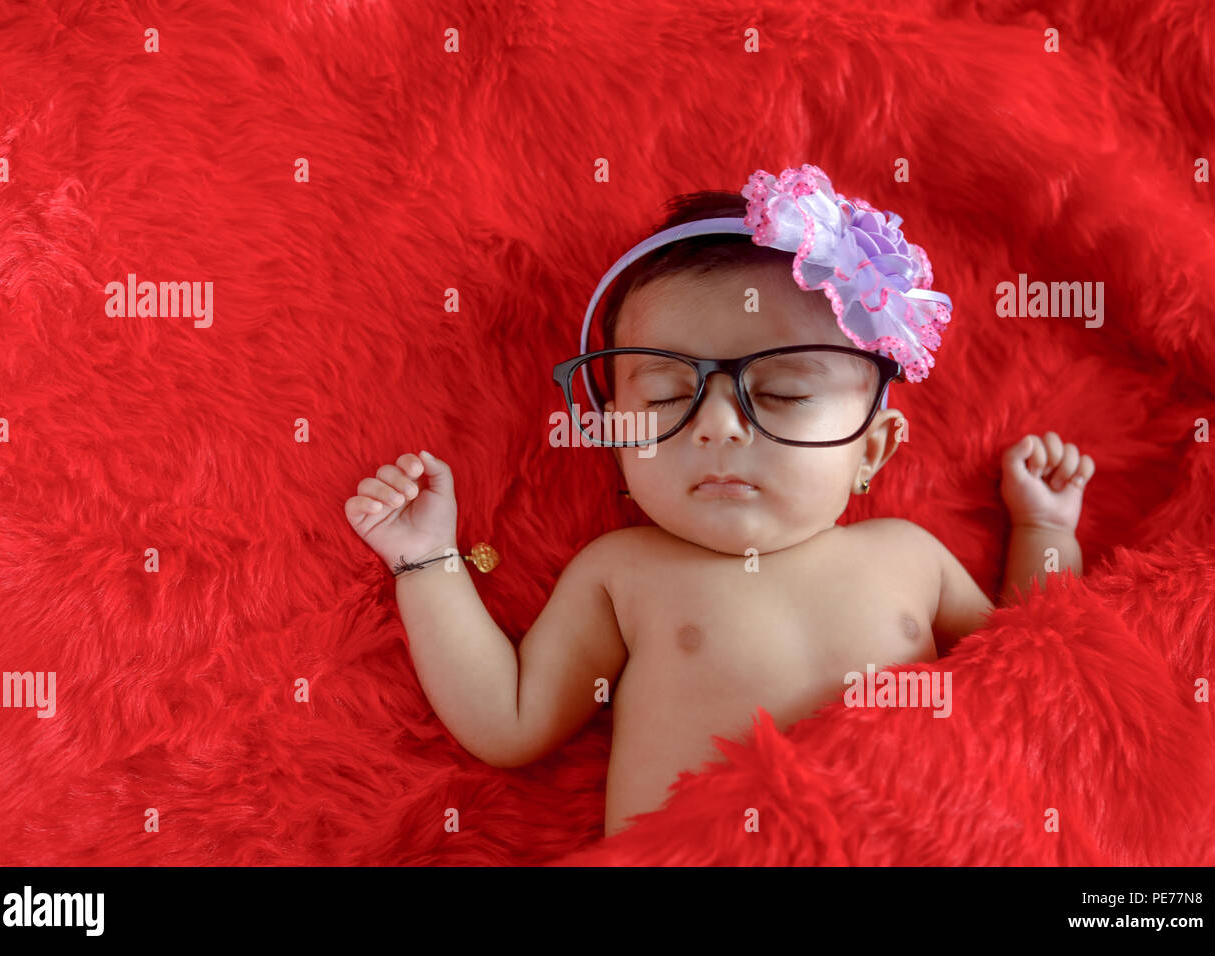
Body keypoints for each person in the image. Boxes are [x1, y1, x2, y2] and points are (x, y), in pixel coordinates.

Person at [345, 164, 1095, 837]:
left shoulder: (908, 557)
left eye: (781, 393)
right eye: (669, 397)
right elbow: (508, 722)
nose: (717, 427)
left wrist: (1043, 529)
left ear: (872, 447)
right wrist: (428, 561)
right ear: (614, 434)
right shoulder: (625, 572)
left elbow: (1034, 673)